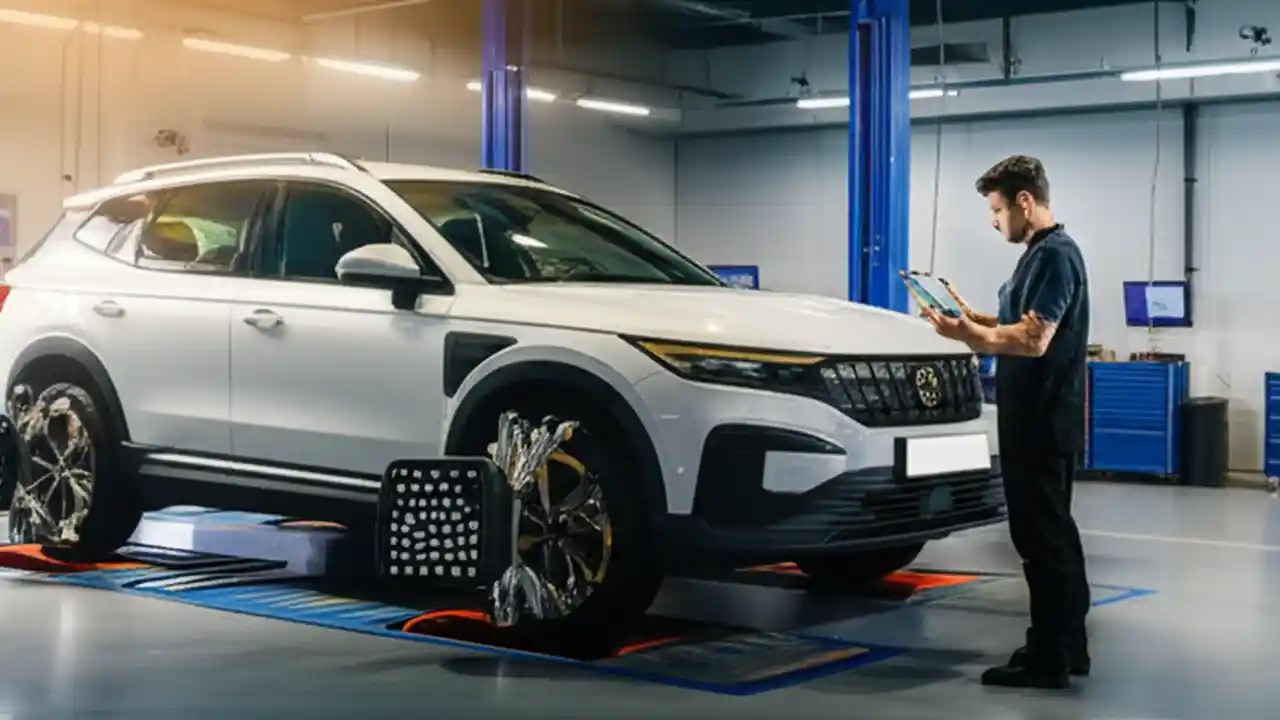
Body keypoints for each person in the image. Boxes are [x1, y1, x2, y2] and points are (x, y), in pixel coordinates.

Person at [920, 155, 1092, 689]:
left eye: (997, 210)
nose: (994, 222)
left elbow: (1034, 338)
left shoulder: (1055, 255)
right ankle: (1066, 645)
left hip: (1041, 421)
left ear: (1024, 202)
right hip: (1039, 419)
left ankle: (1048, 658)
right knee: (1053, 536)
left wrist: (969, 337)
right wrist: (972, 318)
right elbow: (1019, 321)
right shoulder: (1039, 256)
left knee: (1042, 541)